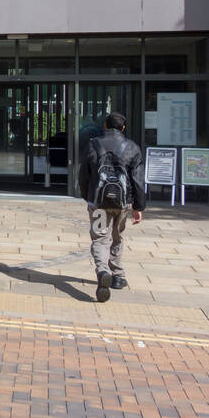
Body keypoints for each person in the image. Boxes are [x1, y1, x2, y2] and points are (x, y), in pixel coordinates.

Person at [77, 112, 145, 302]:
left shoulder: (94, 144)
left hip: (98, 202)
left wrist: (87, 196)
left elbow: (83, 174)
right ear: (123, 128)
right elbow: (138, 180)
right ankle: (118, 275)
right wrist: (138, 207)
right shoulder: (132, 147)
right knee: (117, 236)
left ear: (105, 126)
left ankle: (102, 271)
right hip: (122, 204)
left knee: (100, 238)